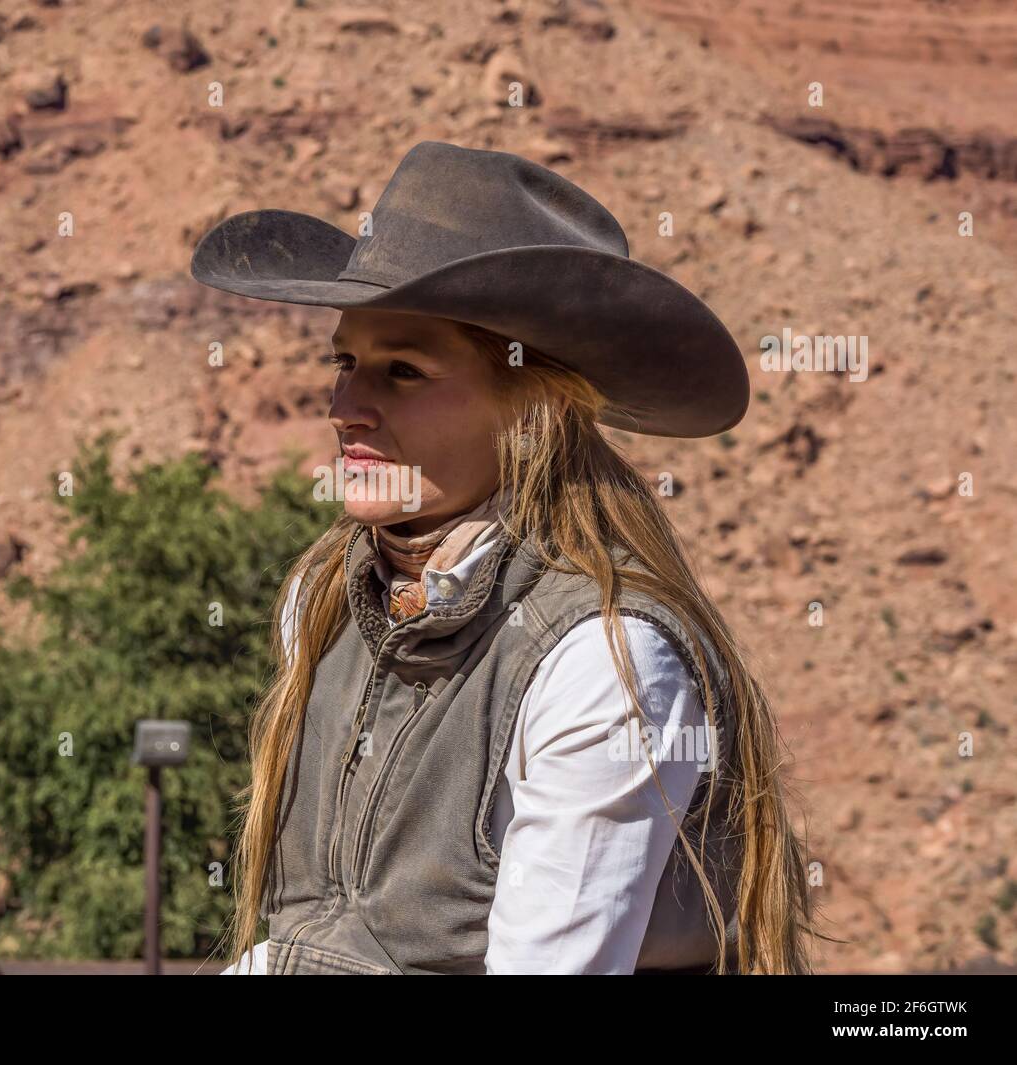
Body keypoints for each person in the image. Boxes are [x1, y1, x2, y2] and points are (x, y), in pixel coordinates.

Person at [191, 140, 813, 974]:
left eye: (402, 370)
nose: (345, 407)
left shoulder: (604, 660)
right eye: (345, 361)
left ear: (532, 410)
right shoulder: (327, 600)